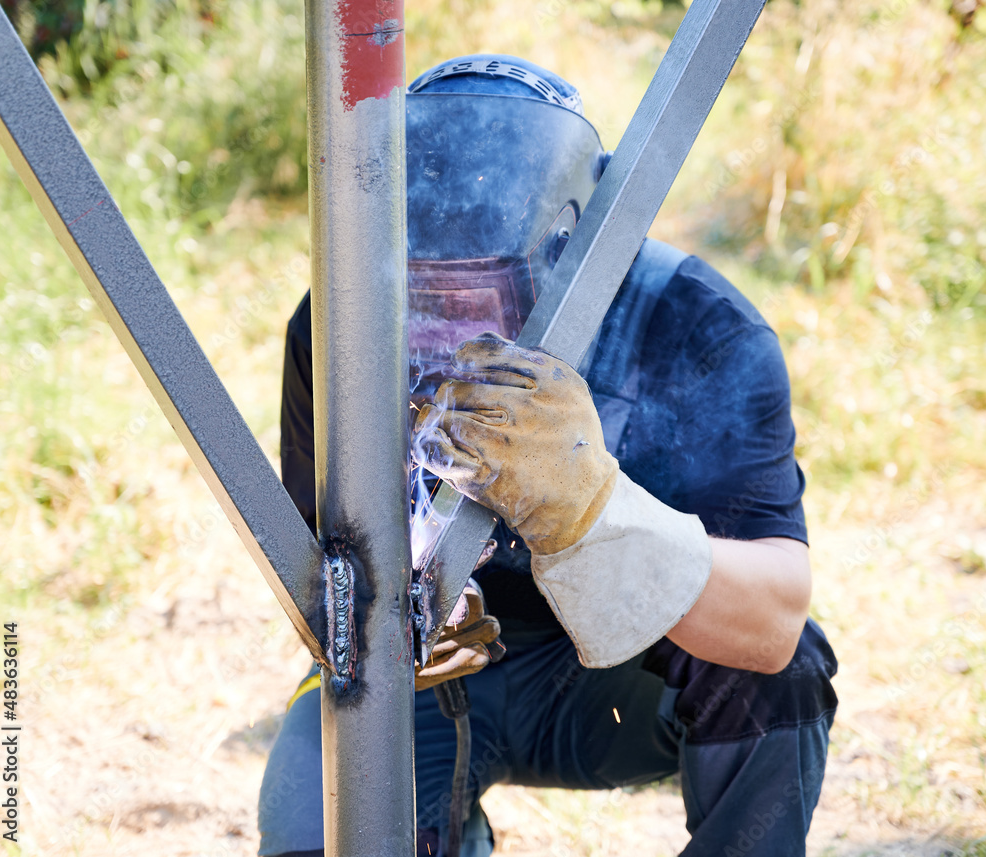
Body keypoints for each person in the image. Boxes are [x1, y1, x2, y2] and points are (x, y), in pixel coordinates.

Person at [258, 55, 838, 857]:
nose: (444, 343)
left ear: (568, 254)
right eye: (420, 298)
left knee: (778, 680)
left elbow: (776, 622)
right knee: (306, 833)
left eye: (474, 302)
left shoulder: (698, 328)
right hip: (427, 687)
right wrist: (386, 608)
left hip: (614, 680)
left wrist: (593, 511)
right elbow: (317, 562)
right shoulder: (336, 324)